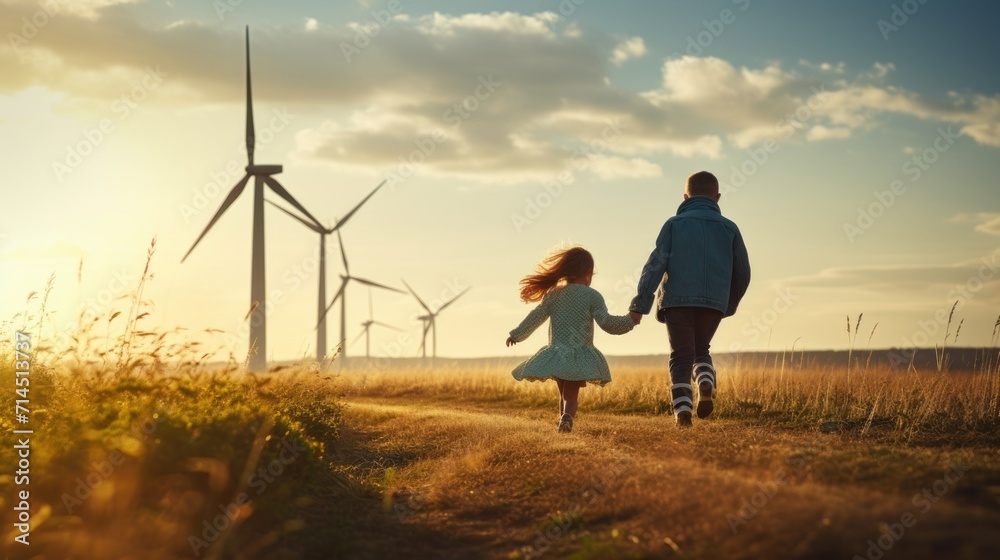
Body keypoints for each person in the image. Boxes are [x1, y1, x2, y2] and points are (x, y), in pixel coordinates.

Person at [629, 171, 751, 428]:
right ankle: (705, 379)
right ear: (717, 197)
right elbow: (743, 272)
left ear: (685, 196)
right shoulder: (730, 228)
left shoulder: (674, 224)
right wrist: (728, 303)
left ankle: (682, 411)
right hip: (713, 303)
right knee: (701, 350)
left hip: (677, 301)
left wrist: (640, 304)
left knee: (681, 356)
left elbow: (655, 266)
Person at [506, 247, 637, 433]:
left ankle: (563, 422)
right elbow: (607, 323)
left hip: (558, 354)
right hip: (579, 354)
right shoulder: (592, 296)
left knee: (563, 394)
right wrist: (630, 321)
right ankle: (566, 419)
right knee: (570, 396)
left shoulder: (554, 294)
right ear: (586, 273)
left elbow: (536, 317)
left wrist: (517, 334)